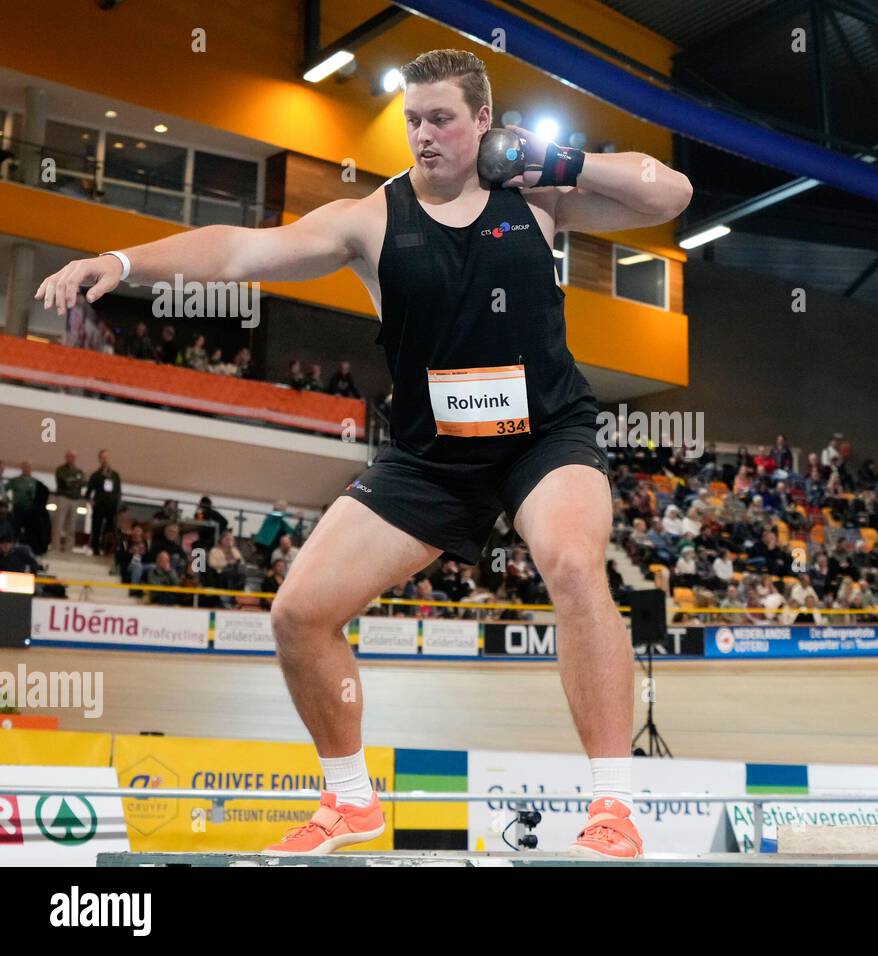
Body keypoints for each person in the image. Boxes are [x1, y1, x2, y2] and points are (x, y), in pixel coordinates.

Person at [34, 48, 691, 859]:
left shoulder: (541, 198)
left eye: (442, 118)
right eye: (412, 120)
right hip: (429, 457)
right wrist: (122, 261)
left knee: (571, 563)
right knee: (298, 614)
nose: (423, 136)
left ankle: (614, 807)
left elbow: (670, 193)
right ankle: (350, 803)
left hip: (544, 438)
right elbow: (241, 253)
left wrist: (563, 158)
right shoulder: (369, 220)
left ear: (484, 121)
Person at [83, 449, 122, 557]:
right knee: (96, 528)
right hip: (99, 506)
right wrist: (91, 502)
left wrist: (117, 504)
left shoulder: (115, 475)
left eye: (107, 457)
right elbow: (88, 493)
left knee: (110, 530)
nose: (105, 460)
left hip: (112, 507)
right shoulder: (95, 475)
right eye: (103, 458)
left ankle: (107, 550)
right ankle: (95, 550)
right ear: (99, 459)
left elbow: (118, 491)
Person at [53, 451, 86, 552]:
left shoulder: (79, 471)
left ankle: (68, 549)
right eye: (69, 456)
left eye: (73, 457)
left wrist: (74, 481)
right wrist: (76, 481)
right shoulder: (61, 469)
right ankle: (55, 548)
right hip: (63, 498)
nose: (71, 458)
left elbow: (84, 482)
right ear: (66, 457)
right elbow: (66, 481)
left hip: (75, 500)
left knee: (71, 527)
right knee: (58, 524)